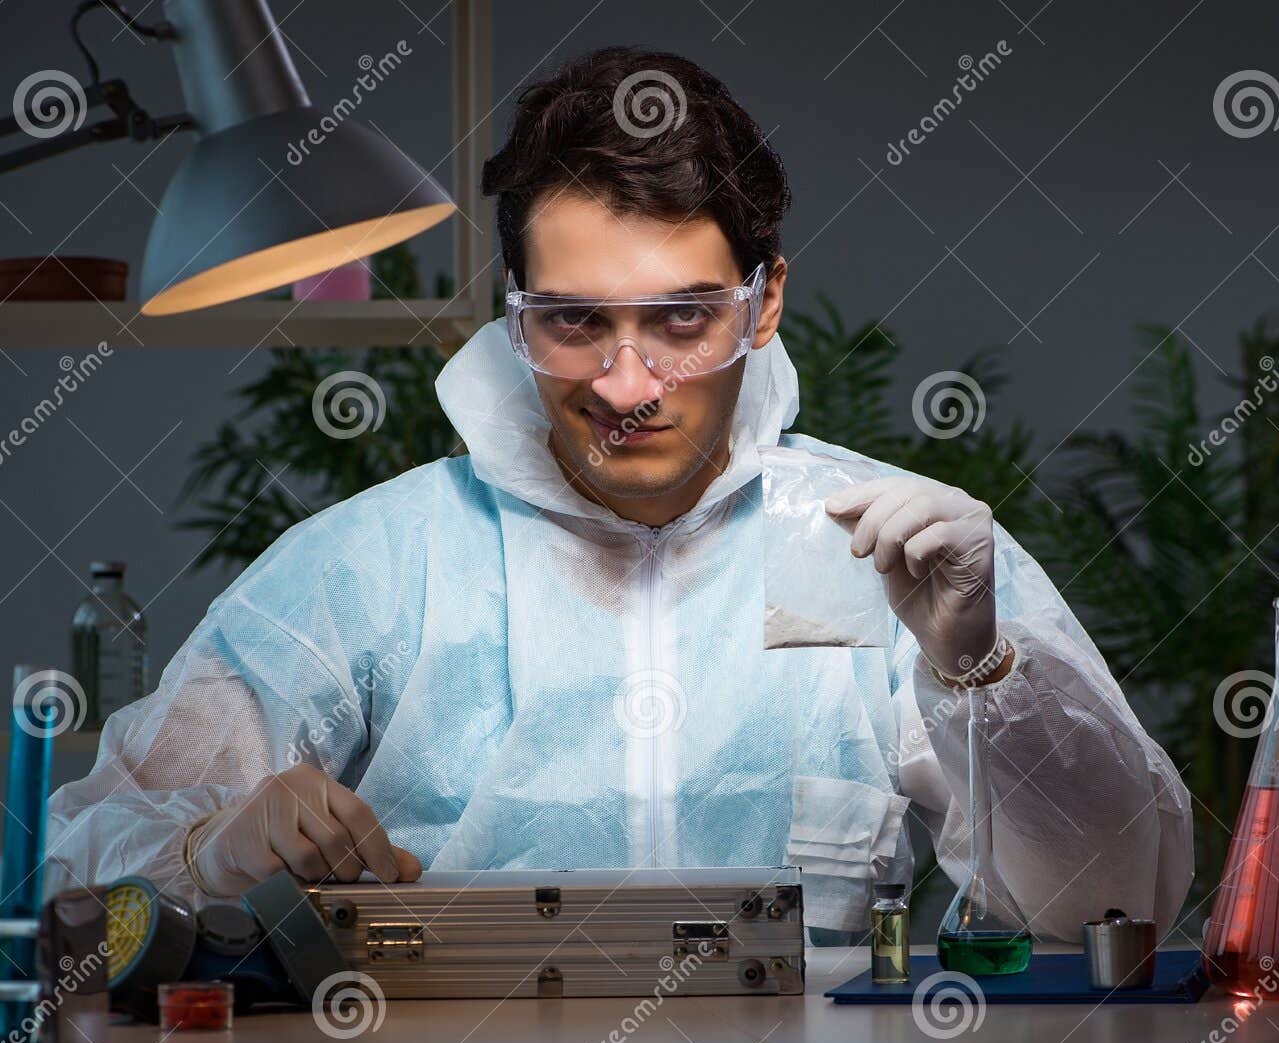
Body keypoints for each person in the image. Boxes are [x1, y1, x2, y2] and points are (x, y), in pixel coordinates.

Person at [44, 46, 1191, 940]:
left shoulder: (888, 553)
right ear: (515, 307)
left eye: (684, 319)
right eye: (575, 321)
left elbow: (1112, 905)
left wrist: (979, 667)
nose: (627, 385)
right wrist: (217, 847)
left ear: (766, 301)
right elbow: (74, 864)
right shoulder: (372, 563)